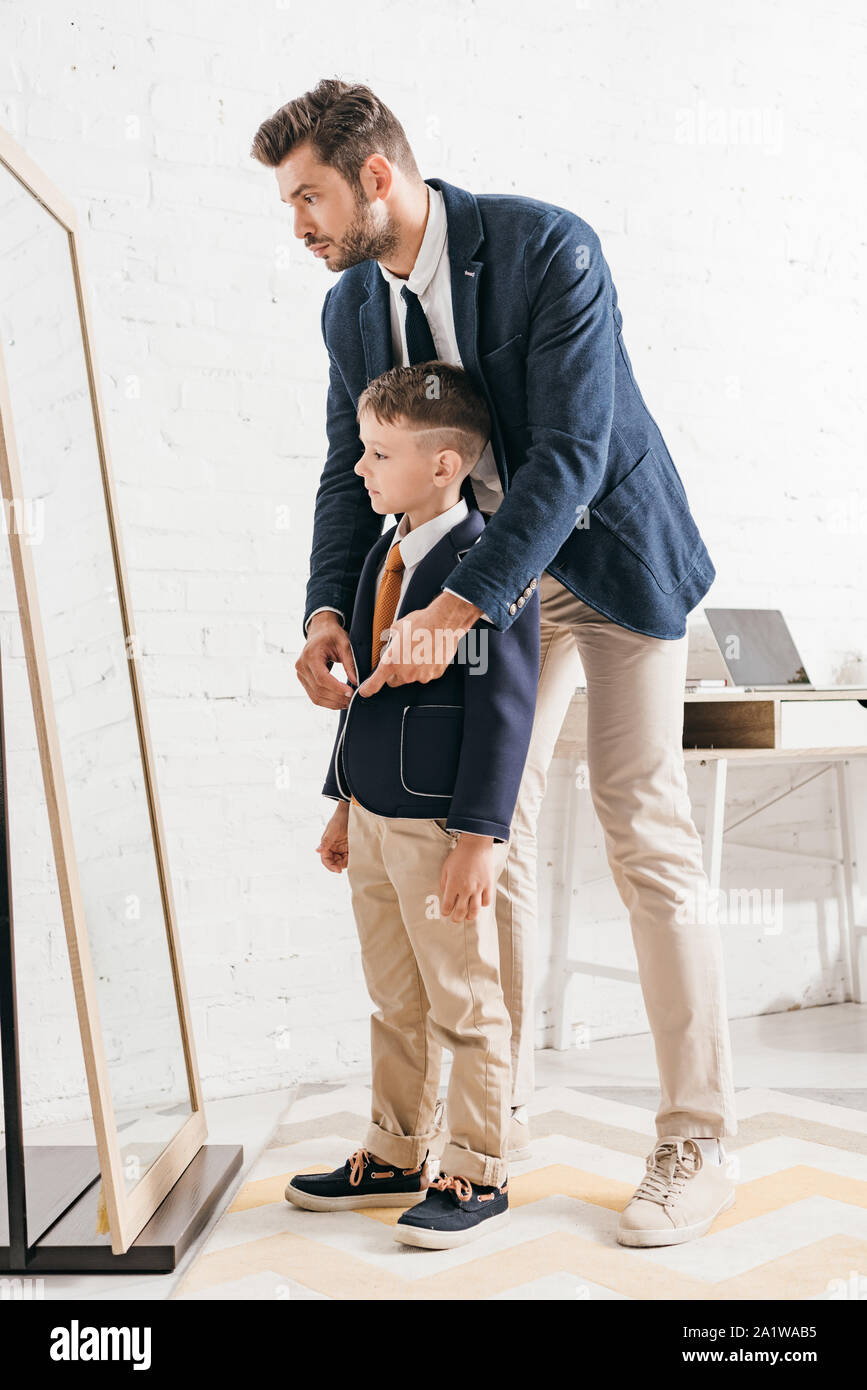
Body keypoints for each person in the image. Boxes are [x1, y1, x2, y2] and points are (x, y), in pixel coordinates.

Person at [253, 78, 737, 1247]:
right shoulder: (352, 314)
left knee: (642, 822)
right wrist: (330, 607)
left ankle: (698, 1135)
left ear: (376, 177)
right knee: (488, 835)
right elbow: (343, 472)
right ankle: (487, 1129)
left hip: (609, 567)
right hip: (486, 585)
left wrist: (460, 604)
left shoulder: (548, 248)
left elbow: (572, 454)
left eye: (310, 196)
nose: (301, 224)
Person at [284, 362, 540, 1250]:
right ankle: (394, 1150)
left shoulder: (487, 568)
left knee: (462, 1003)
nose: (360, 468)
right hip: (374, 817)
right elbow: (364, 695)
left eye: (378, 452)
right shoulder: (380, 556)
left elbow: (505, 712)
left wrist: (478, 837)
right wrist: (341, 802)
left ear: (443, 466)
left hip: (440, 830)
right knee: (392, 999)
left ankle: (473, 1170)